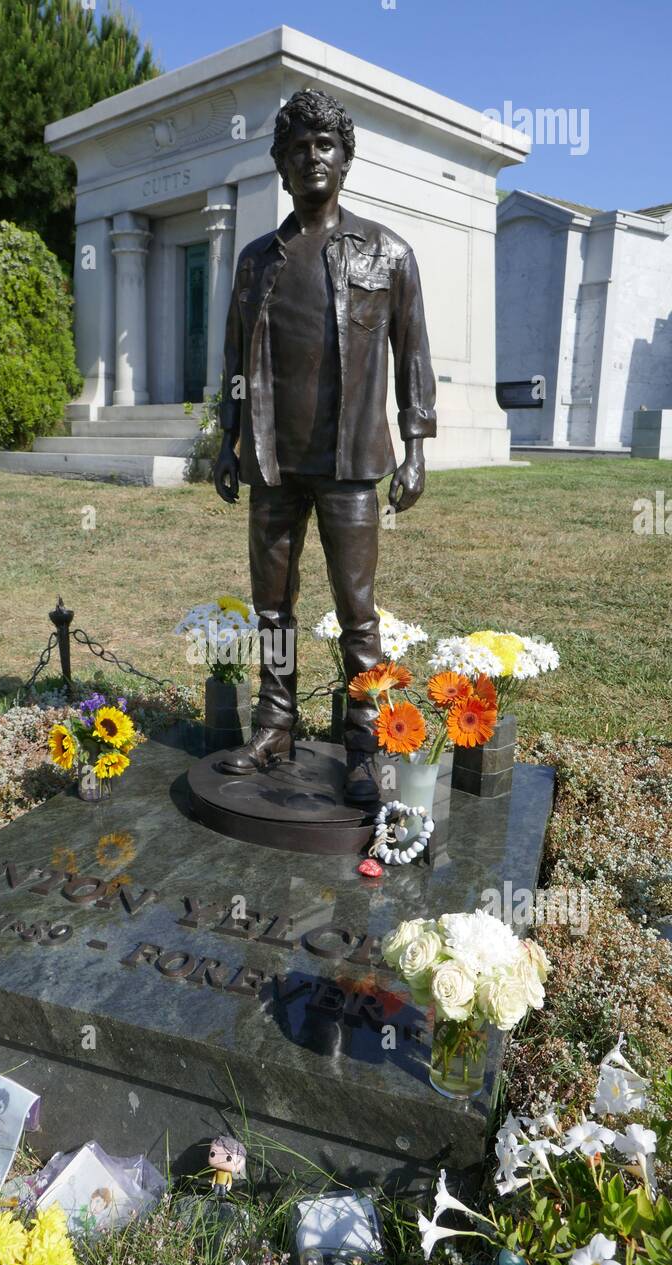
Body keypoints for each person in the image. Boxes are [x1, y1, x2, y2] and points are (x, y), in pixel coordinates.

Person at [214, 90, 436, 803]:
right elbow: (233, 362)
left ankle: (366, 740)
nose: (312, 157)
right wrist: (228, 441)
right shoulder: (256, 263)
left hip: (350, 465)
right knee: (272, 607)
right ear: (280, 164)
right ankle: (275, 723)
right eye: (298, 146)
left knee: (357, 611)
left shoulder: (388, 253)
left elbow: (415, 358)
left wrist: (416, 444)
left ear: (346, 158)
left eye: (325, 145)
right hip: (274, 464)